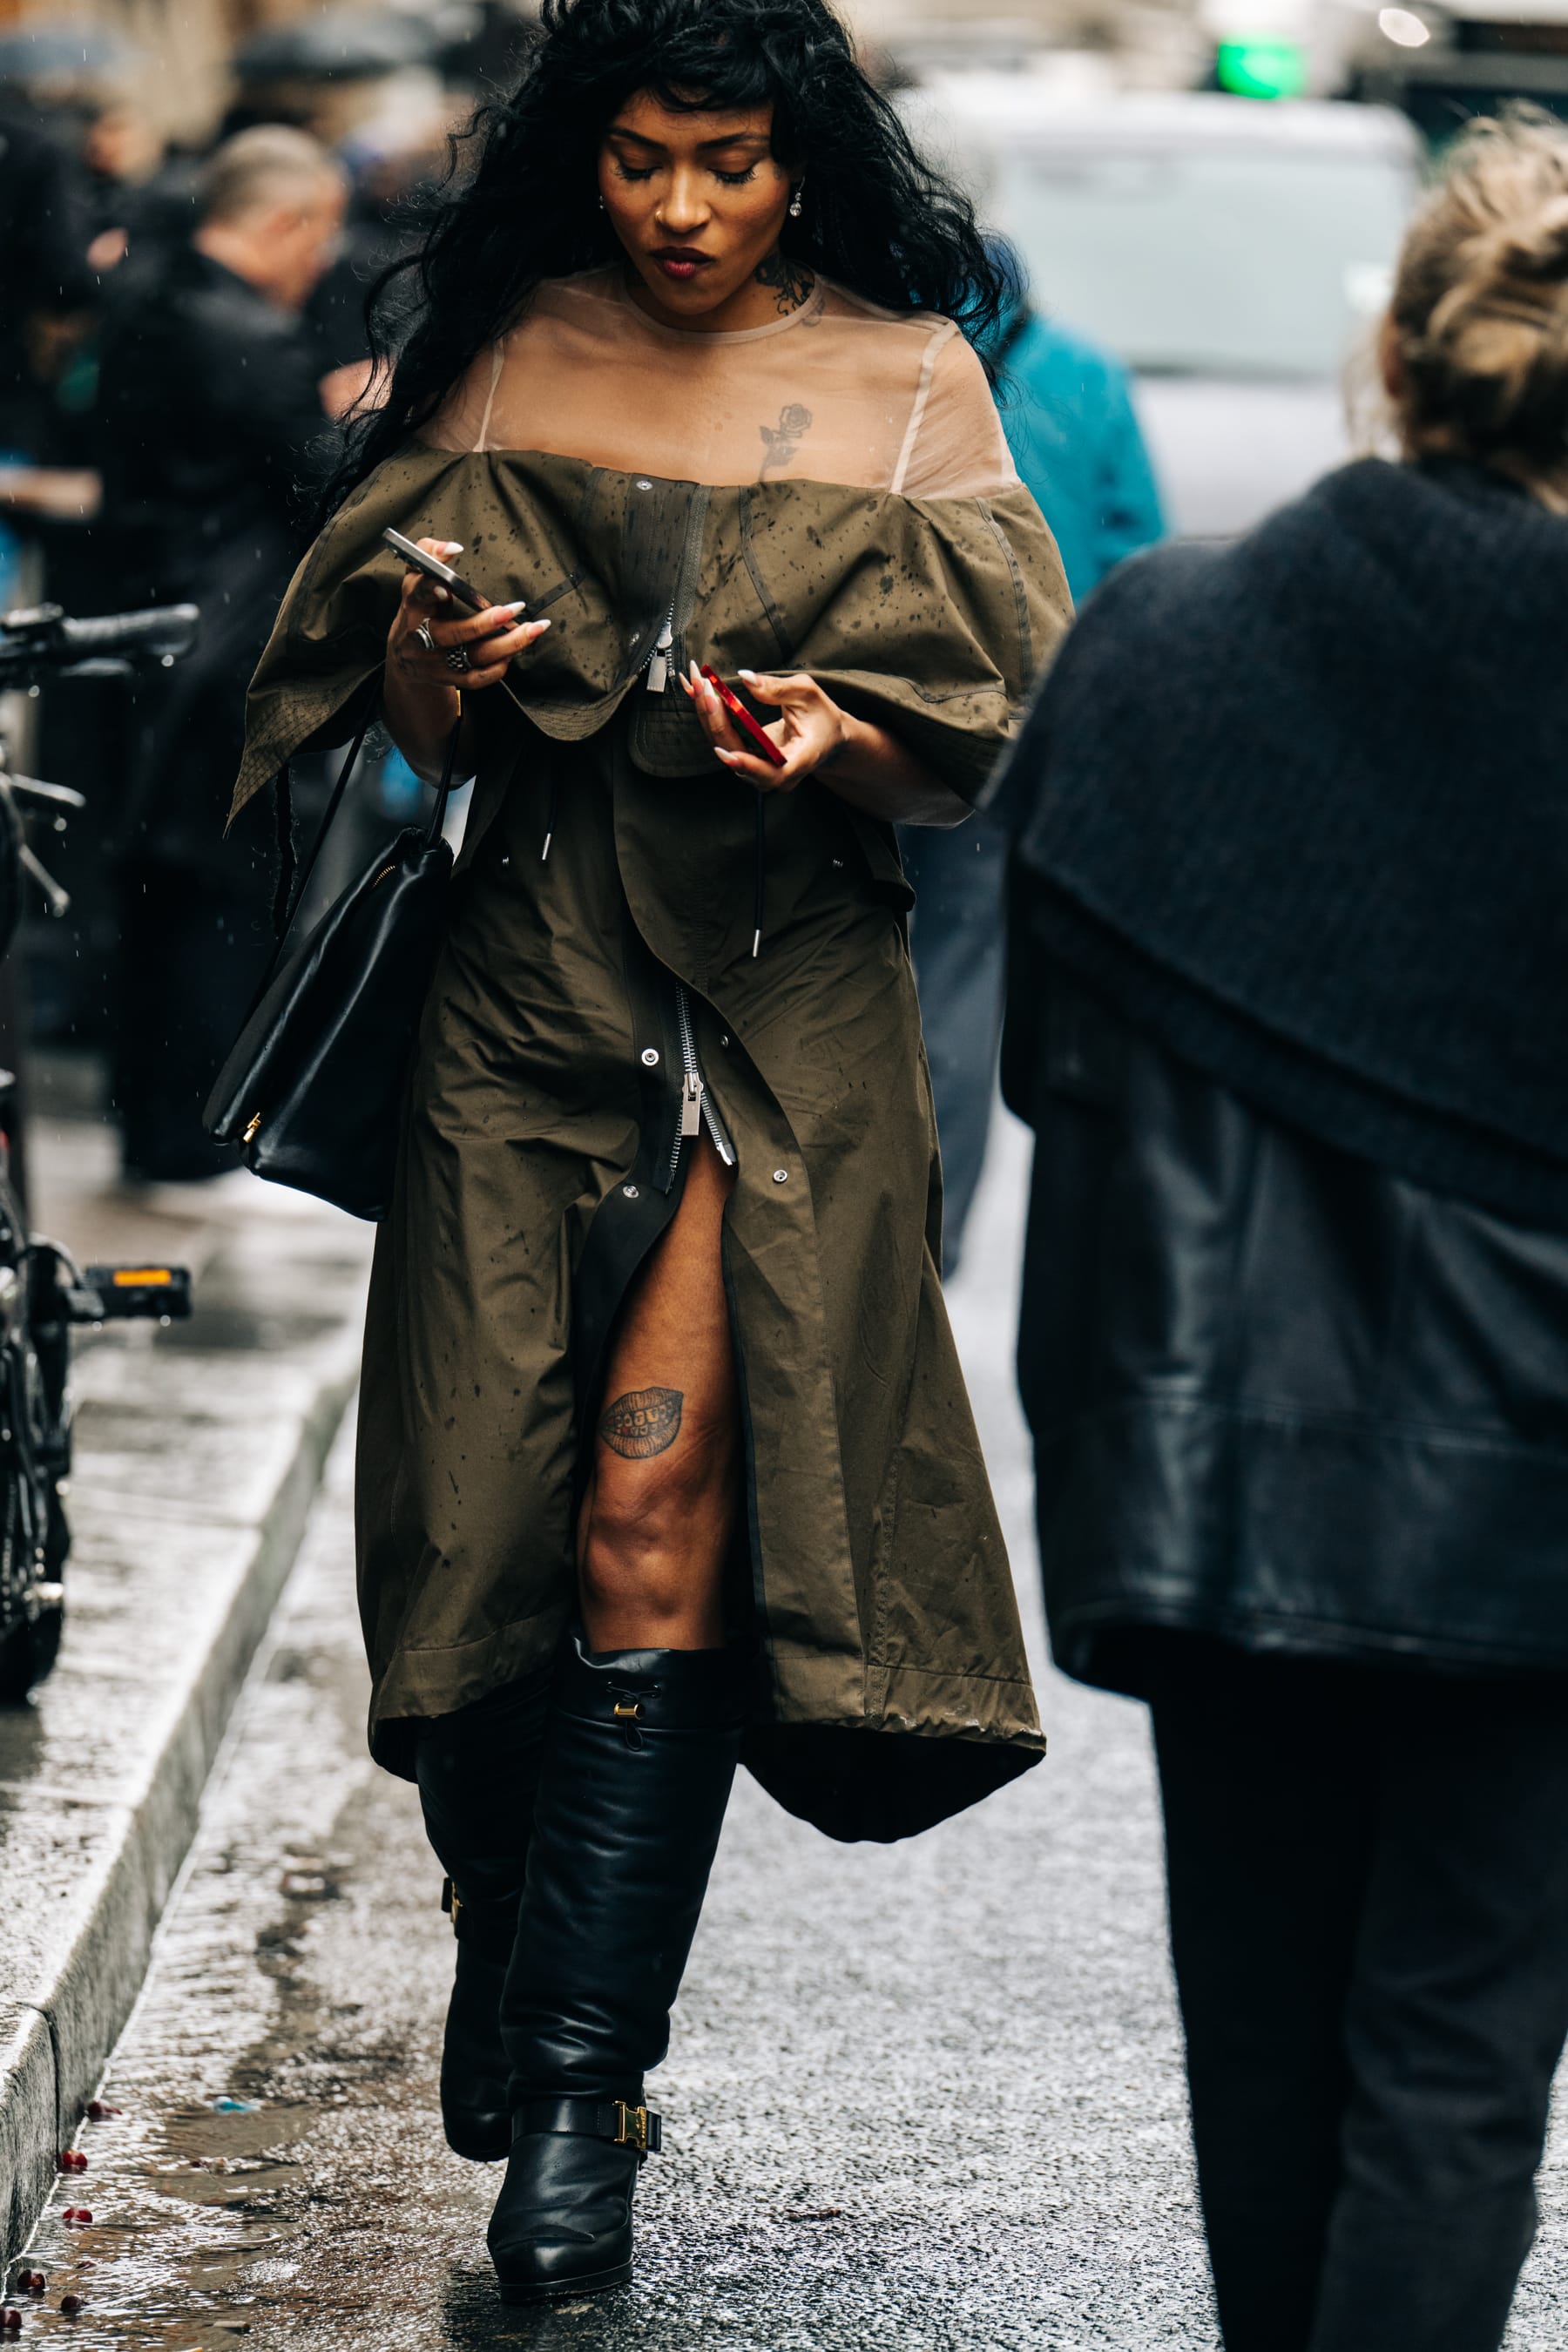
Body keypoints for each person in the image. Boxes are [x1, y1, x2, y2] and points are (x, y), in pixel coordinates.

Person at [228, 0, 1066, 2308]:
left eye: (725, 160)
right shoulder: (503, 355)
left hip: (785, 1002)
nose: (681, 209)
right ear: (576, 164)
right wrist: (436, 672)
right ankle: (522, 1952)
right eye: (636, 163)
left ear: (804, 160)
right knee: (475, 1516)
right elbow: (388, 727)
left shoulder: (915, 382)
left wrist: (845, 732)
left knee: (651, 1504)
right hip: (527, 984)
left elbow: (966, 749)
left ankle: (578, 2095)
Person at [993, 111, 1568, 2352]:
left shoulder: (1164, 644)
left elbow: (1059, 1066)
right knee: (1453, 2054)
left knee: (1259, 2032)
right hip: (1538, 1492)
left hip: (1205, 1449)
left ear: (1400, 365)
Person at [94, 125, 347, 1180]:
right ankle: (194, 1134)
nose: (317, 265)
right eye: (318, 240)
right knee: (217, 899)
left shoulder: (144, 303)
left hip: (145, 633)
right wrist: (346, 411)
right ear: (285, 222)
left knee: (154, 895)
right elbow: (322, 483)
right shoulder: (250, 335)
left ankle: (149, 1121)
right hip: (227, 651)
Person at [901, 276, 1164, 1267]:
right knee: (964, 981)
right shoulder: (1081, 373)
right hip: (1014, 735)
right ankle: (932, 1243)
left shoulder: (866, 348)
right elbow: (1134, 554)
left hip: (848, 710)